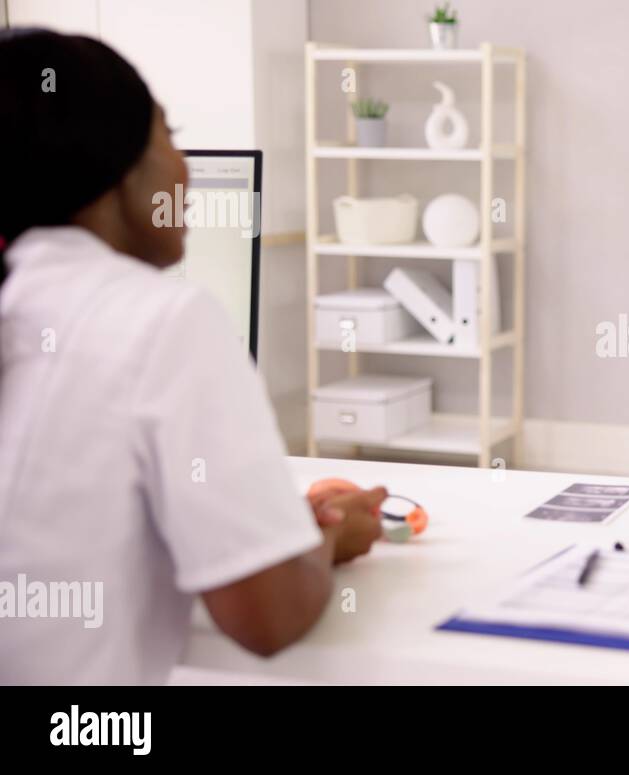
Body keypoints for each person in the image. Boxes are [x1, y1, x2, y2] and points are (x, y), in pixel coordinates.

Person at [0, 29, 385, 684]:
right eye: (169, 135)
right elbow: (267, 613)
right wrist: (329, 533)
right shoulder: (163, 319)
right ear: (118, 166)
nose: (185, 167)